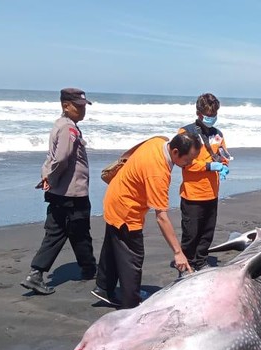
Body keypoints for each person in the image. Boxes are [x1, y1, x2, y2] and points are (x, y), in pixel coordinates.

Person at [91, 133, 201, 307]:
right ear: (175, 151)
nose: (190, 164)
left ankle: (103, 287)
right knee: (132, 257)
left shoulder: (159, 142)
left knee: (113, 245)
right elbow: (162, 217)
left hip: (115, 196)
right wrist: (178, 252)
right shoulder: (158, 173)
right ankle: (131, 303)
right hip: (126, 210)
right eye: (187, 160)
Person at [21, 88, 96, 295]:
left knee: (58, 232)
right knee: (78, 232)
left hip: (60, 191)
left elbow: (51, 158)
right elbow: (61, 158)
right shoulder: (68, 129)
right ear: (66, 106)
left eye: (84, 106)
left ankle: (36, 274)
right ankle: (88, 268)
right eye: (78, 106)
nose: (82, 110)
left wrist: (47, 178)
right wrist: (50, 179)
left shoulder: (62, 125)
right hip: (72, 193)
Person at [177, 93, 230, 273]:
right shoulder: (186, 133)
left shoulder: (218, 134)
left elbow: (223, 155)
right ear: (199, 113)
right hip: (192, 194)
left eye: (214, 113)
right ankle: (187, 264)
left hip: (212, 193)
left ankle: (201, 261)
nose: (211, 117)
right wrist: (209, 166)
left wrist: (224, 166)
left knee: (207, 232)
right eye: (208, 114)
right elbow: (185, 163)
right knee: (191, 234)